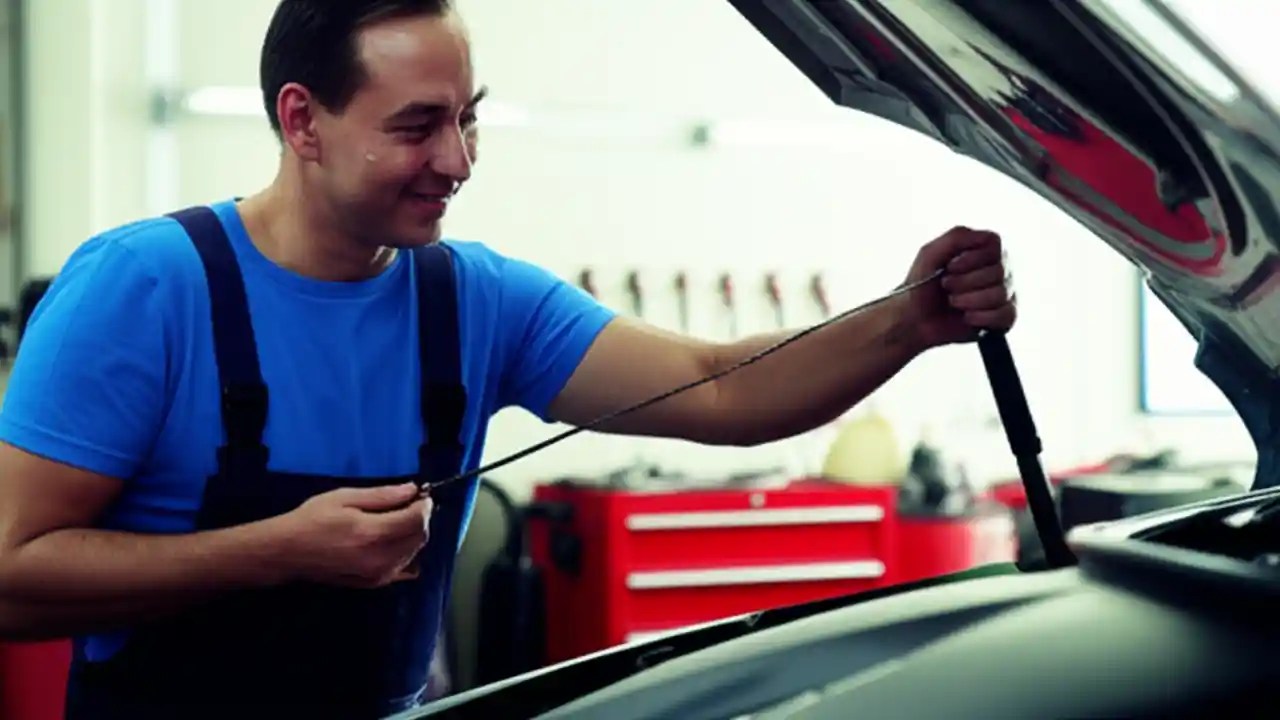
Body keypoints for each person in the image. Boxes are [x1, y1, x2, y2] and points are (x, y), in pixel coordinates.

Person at [0, 0, 1016, 717]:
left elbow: (720, 387)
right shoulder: (144, 289)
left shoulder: (472, 299)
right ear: (302, 121)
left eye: (467, 115)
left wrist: (907, 320)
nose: (458, 160)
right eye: (416, 127)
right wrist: (276, 549)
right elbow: (11, 578)